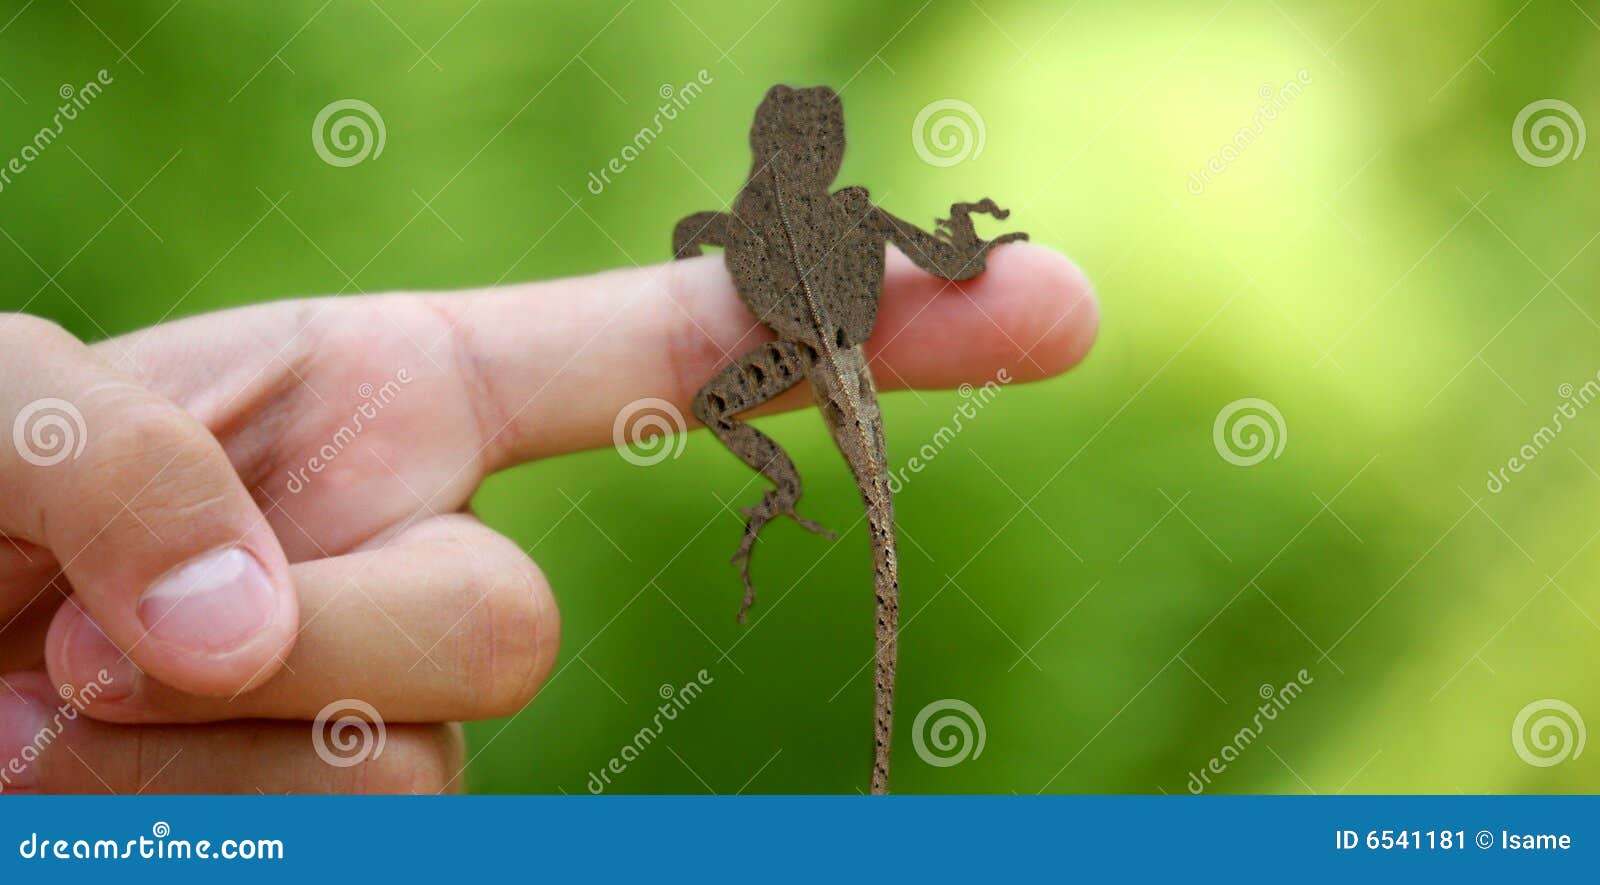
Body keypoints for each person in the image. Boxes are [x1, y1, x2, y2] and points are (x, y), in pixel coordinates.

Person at [0, 244, 1096, 793]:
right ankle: (778, 503)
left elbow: (716, 234)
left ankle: (777, 501)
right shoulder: (777, 226)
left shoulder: (790, 227)